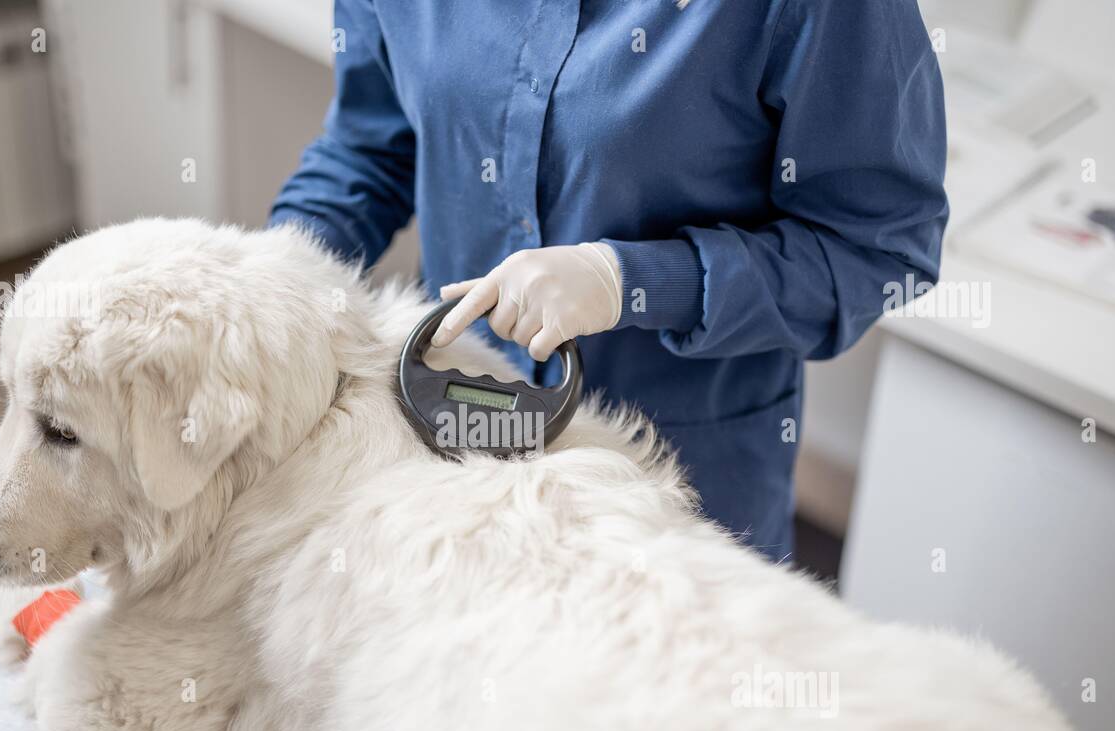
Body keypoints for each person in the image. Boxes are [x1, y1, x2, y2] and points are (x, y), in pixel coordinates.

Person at [270, 0, 948, 562]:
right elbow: (370, 147)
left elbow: (876, 247)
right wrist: (273, 274)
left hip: (676, 491)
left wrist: (634, 281)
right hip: (448, 453)